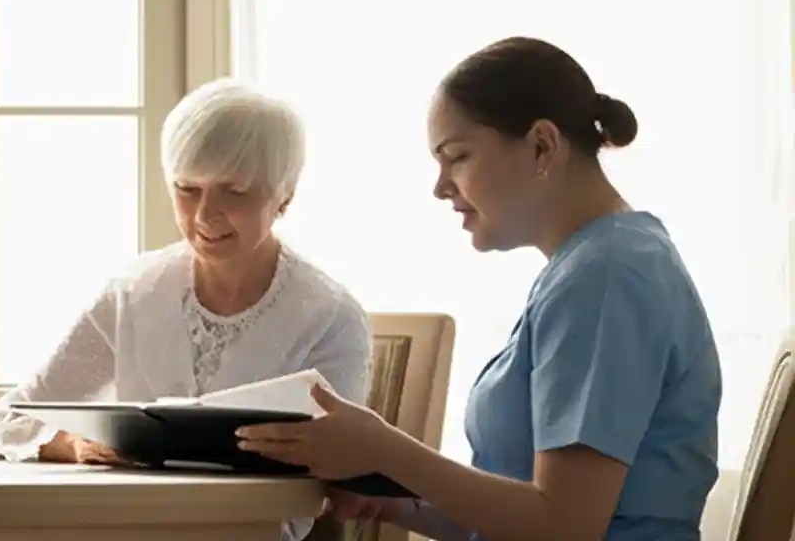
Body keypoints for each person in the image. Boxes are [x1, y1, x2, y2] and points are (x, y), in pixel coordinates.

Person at [237, 37, 722, 541]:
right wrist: (394, 501)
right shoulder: (597, 264)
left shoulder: (606, 278)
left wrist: (385, 449)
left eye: (457, 157)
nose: (440, 186)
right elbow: (531, 513)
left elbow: (566, 525)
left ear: (542, 145)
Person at [0, 78, 372, 541]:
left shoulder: (329, 317)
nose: (205, 215)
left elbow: (339, 476)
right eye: (187, 189)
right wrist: (74, 445)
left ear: (285, 196)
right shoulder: (132, 293)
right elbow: (2, 422)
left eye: (235, 192)